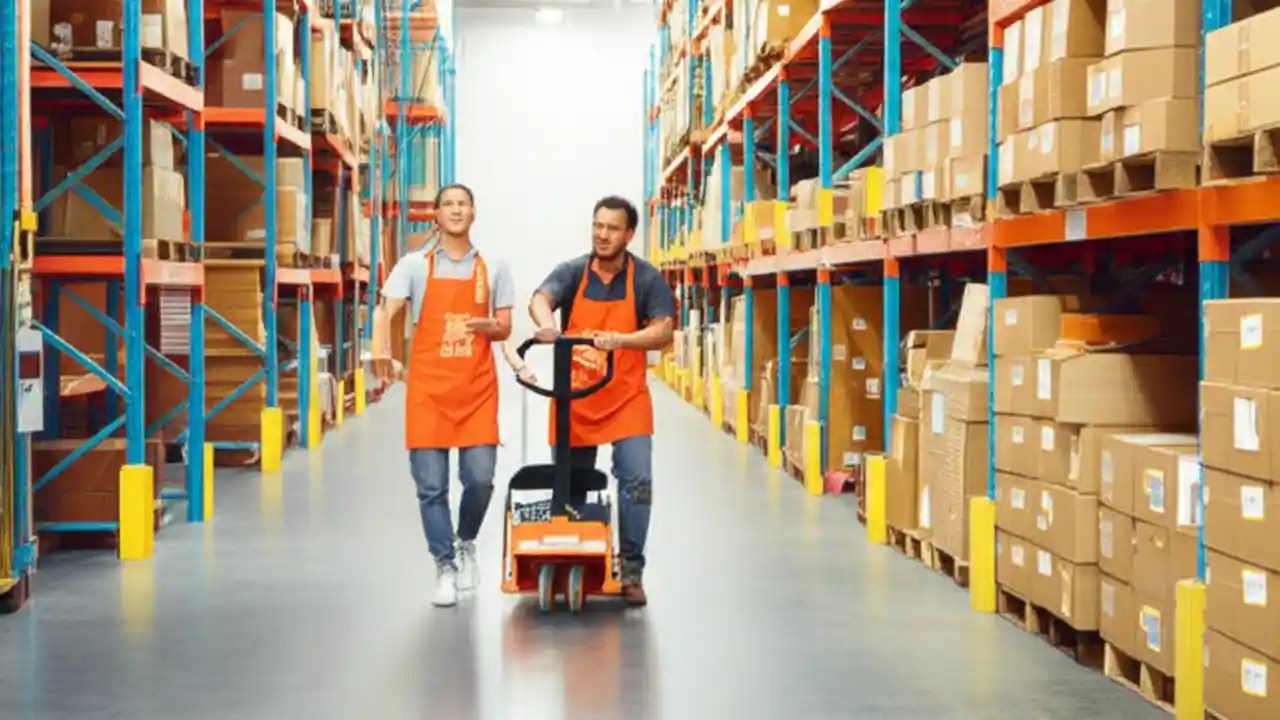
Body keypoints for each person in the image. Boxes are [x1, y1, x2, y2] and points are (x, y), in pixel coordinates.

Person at [527, 195, 676, 606]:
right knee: (569, 481)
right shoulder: (573, 273)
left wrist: (622, 341)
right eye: (597, 226)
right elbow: (541, 297)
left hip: (626, 397)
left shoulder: (646, 279)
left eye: (612, 228)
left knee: (637, 479)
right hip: (575, 397)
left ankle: (631, 567)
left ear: (629, 234)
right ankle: (571, 553)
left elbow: (663, 331)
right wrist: (545, 325)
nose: (603, 235)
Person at [376, 183, 514, 608]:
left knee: (480, 478)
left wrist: (483, 327)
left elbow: (505, 327)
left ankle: (466, 540)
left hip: (476, 390)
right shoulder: (415, 266)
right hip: (429, 391)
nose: (456, 211)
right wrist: (382, 352)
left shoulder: (494, 268)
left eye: (463, 204)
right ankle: (445, 565)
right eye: (448, 205)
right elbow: (387, 310)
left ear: (474, 212)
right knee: (431, 487)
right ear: (435, 214)